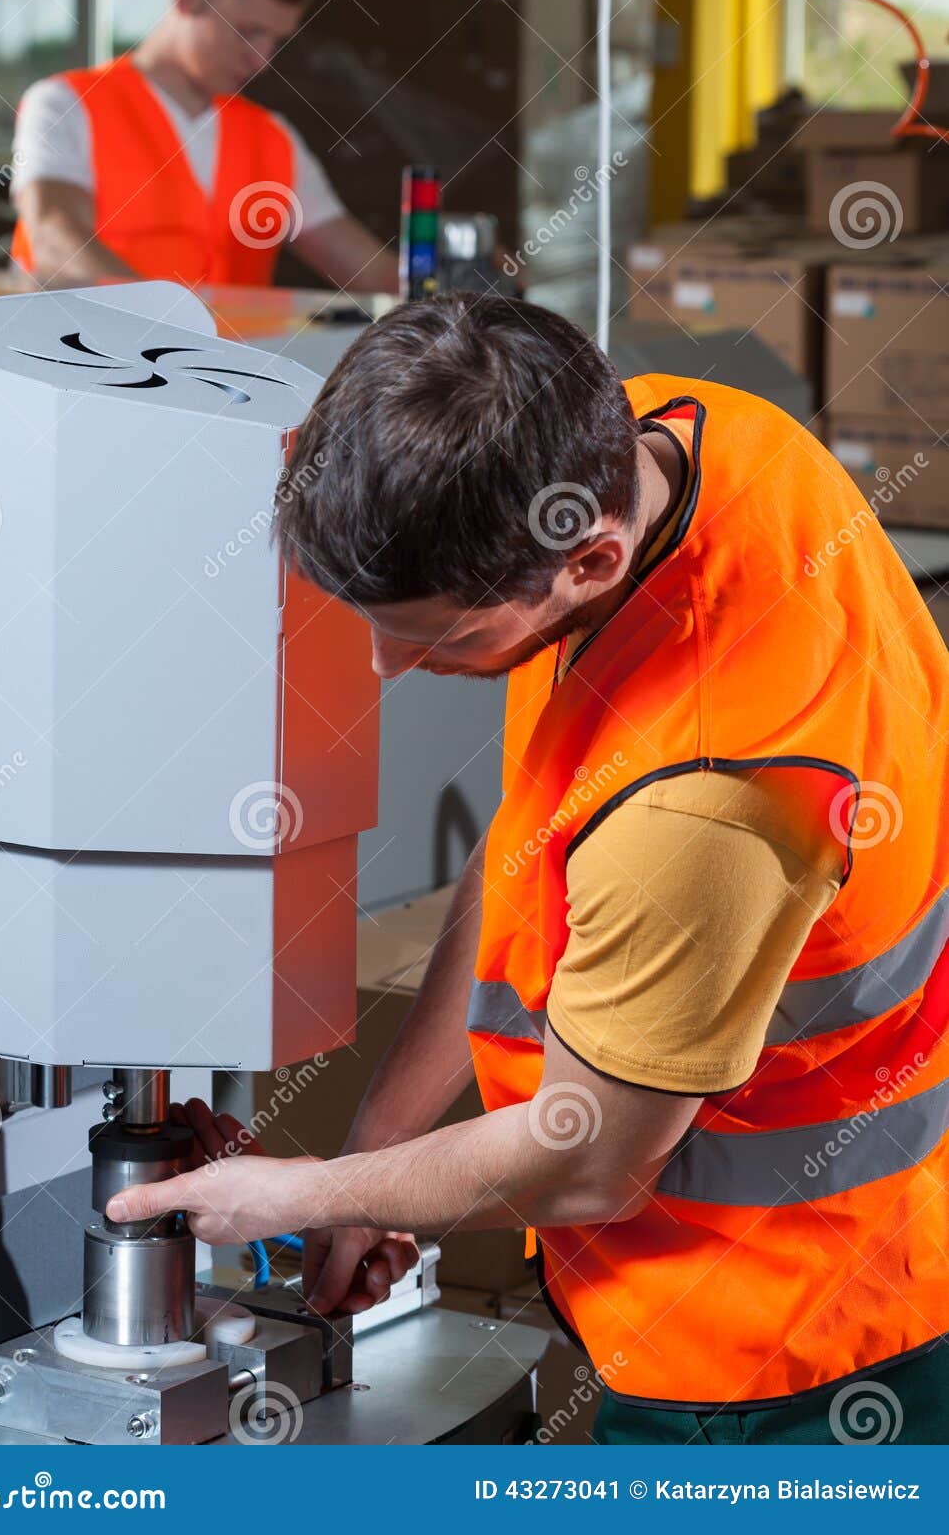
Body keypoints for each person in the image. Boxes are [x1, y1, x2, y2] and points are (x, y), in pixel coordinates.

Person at [106, 294, 949, 1444]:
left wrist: (294, 1194)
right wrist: (376, 1159)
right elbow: (536, 861)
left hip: (778, 1344)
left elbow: (590, 1157)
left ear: (589, 557)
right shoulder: (677, 439)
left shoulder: (708, 811)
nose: (387, 667)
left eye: (437, 634)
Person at [9, 0, 397, 294]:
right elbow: (54, 241)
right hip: (87, 353)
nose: (261, 61)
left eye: (275, 42)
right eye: (247, 32)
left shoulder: (273, 140)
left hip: (232, 356)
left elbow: (372, 273)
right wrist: (165, 321)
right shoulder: (66, 105)